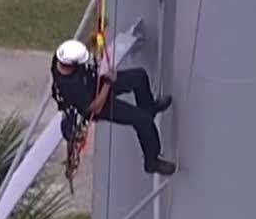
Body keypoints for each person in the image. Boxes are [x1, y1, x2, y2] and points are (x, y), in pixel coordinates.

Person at [50, 39, 177, 176]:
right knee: (143, 121)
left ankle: (149, 108)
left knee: (139, 77)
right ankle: (152, 162)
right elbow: (95, 107)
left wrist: (94, 40)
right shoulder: (72, 87)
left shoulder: (60, 60)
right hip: (99, 105)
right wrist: (108, 82)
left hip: (96, 85)